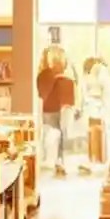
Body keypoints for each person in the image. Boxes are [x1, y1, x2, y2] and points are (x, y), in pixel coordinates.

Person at [37, 46, 75, 177]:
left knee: (58, 137)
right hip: (55, 108)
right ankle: (57, 162)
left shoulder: (46, 74)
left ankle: (58, 162)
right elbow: (43, 93)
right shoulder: (48, 74)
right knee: (56, 137)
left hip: (57, 108)